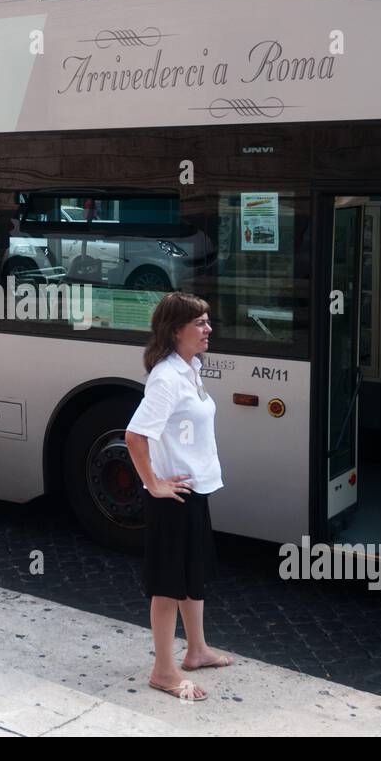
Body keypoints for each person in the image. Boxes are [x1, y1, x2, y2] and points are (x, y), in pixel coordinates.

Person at [125, 292, 233, 703]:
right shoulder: (168, 378)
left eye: (208, 321)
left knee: (192, 575)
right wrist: (154, 484)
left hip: (194, 490)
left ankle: (197, 650)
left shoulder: (191, 369)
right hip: (173, 497)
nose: (209, 329)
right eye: (200, 323)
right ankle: (163, 671)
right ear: (176, 331)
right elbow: (135, 436)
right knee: (168, 586)